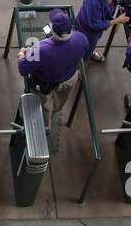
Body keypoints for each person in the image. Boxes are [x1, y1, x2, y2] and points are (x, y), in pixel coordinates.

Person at [18, 9, 89, 151]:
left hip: (45, 85)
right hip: (69, 79)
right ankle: (55, 111)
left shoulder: (41, 49)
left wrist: (22, 54)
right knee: (60, 101)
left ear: (52, 30)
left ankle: (45, 127)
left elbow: (23, 69)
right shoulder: (81, 38)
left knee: (44, 107)